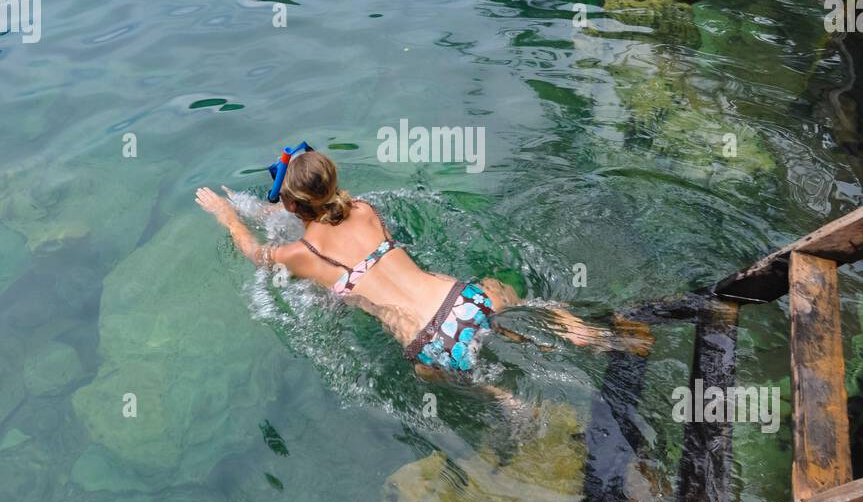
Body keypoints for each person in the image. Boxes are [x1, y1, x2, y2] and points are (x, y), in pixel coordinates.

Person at [196, 150, 648, 379]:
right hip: (462, 301)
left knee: (431, 375)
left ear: (292, 206)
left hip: (427, 343)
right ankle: (585, 334)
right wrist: (297, 207)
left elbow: (255, 253)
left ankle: (507, 404)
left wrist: (228, 215)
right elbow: (329, 213)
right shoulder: (366, 210)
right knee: (504, 295)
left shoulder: (300, 256)